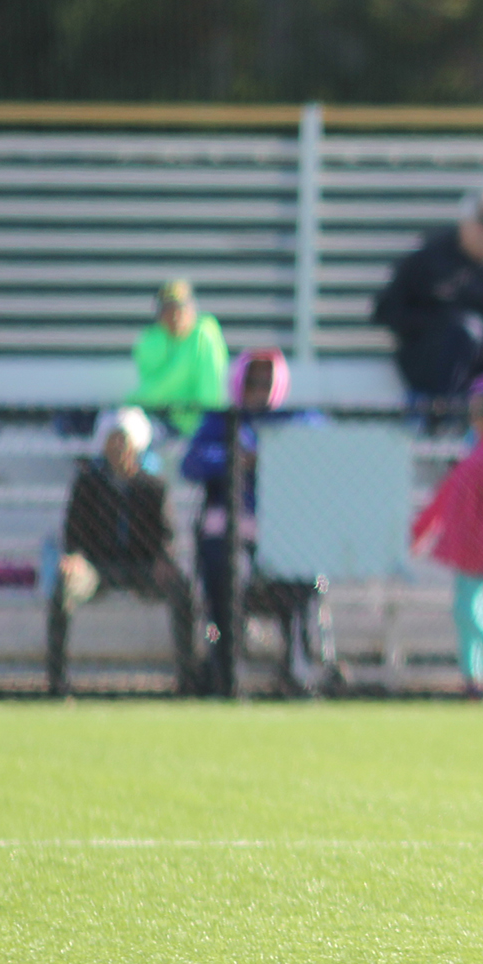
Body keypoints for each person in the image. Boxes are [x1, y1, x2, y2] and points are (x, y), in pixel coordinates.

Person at [180, 348, 325, 693]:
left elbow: (324, 451)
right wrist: (236, 458)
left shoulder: (299, 420)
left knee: (301, 578)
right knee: (228, 572)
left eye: (265, 381)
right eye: (252, 382)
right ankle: (225, 668)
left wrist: (274, 456)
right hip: (232, 535)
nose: (258, 389)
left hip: (287, 535)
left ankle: (296, 670)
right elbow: (192, 463)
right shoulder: (222, 422)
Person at [47, 408, 198, 695]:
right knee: (63, 588)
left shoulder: (153, 486)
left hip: (143, 567)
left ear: (136, 445)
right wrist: (74, 558)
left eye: (123, 440)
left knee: (182, 589)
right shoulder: (88, 484)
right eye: (112, 440)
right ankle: (56, 680)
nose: (117, 447)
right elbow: (73, 535)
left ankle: (188, 678)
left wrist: (164, 559)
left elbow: (167, 534)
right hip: (98, 568)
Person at [412, 374, 483, 702]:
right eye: (476, 409)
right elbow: (445, 495)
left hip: (481, 549)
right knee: (463, 612)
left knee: (471, 612)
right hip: (464, 548)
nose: (479, 417)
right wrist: (420, 530)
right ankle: (472, 679)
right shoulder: (475, 452)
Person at [371, 186, 483, 404]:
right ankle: (444, 414)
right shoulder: (429, 261)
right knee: (464, 331)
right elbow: (385, 311)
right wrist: (442, 322)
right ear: (465, 221)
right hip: (430, 365)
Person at [130, 279, 229, 435]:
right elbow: (151, 389)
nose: (174, 316)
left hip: (202, 425)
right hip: (159, 420)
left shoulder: (204, 335)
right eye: (167, 309)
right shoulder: (150, 339)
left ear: (192, 309)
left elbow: (210, 393)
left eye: (179, 308)